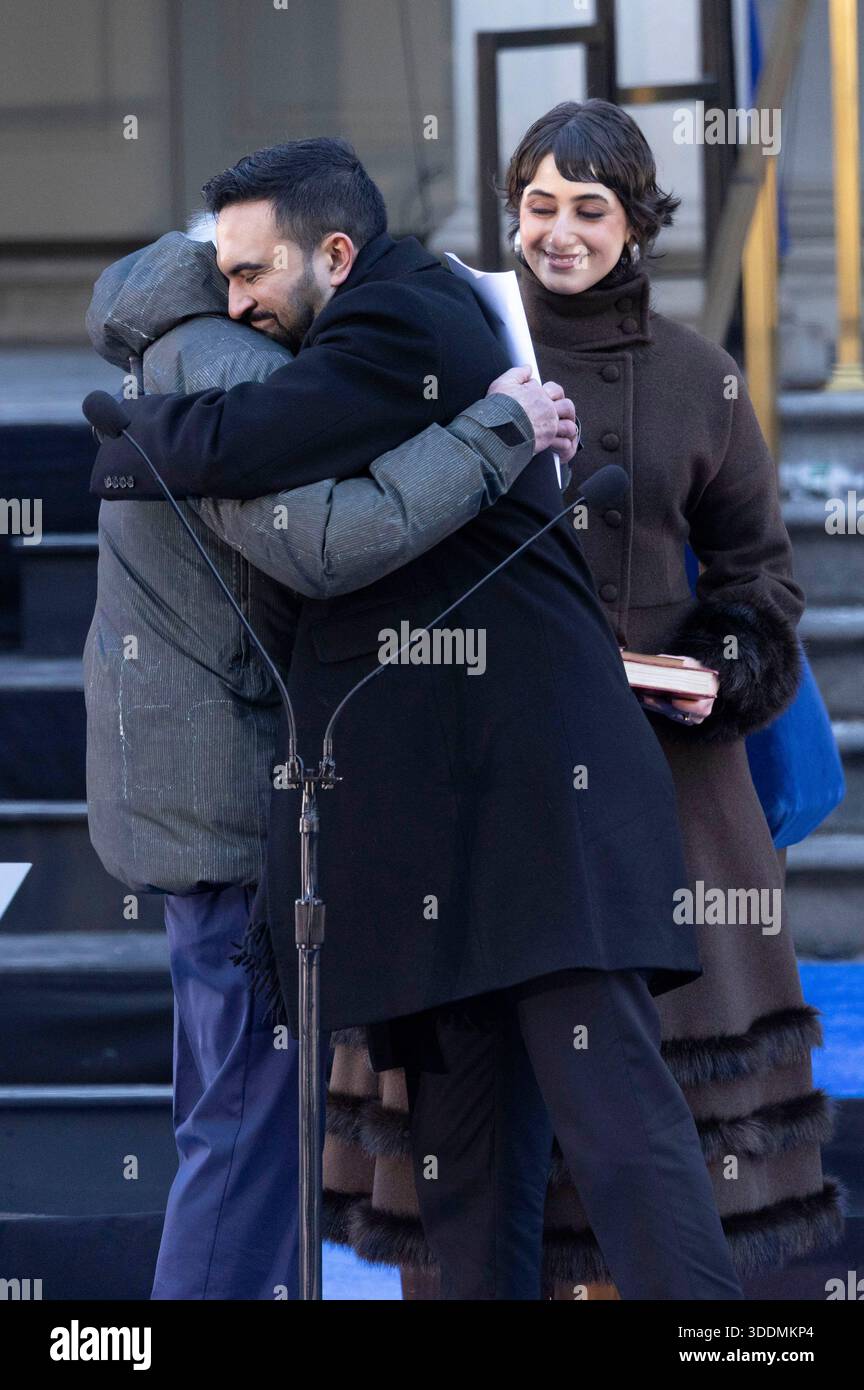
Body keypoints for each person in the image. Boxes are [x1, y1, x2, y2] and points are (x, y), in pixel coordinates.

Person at [90, 136, 745, 1300]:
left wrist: (127, 433)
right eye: (223, 277)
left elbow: (262, 457)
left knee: (617, 1131)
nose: (238, 301)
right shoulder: (356, 329)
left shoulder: (408, 320)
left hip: (539, 797)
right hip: (441, 812)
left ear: (333, 255)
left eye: (252, 274)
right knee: (472, 1169)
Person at [321, 102, 846, 1300]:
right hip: (477, 780)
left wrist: (717, 665)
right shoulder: (449, 353)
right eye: (540, 206)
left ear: (637, 222)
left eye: (589, 209)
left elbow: (762, 574)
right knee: (479, 1138)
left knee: (641, 1131)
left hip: (662, 791)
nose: (559, 233)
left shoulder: (700, 376)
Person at [84, 217, 573, 1300]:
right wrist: (500, 430)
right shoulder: (228, 366)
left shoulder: (177, 339)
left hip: (186, 781)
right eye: (249, 273)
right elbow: (328, 542)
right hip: (222, 792)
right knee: (249, 1134)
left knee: (230, 1119)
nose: (263, 294)